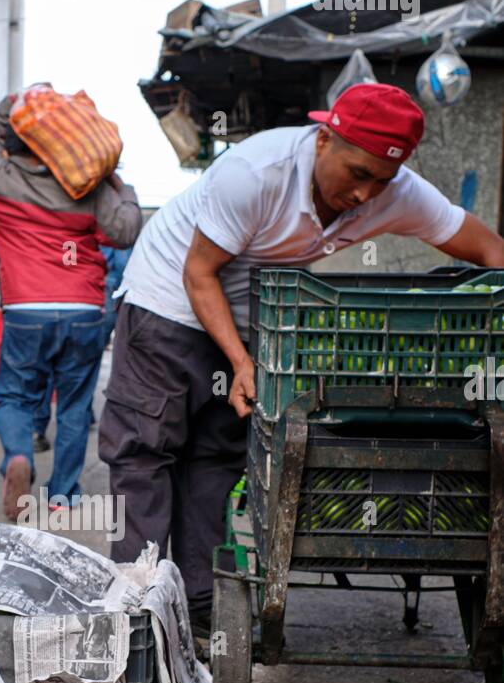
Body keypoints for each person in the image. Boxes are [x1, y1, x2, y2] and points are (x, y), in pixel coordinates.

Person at [99, 82, 504, 638]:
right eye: (357, 173)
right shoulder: (256, 172)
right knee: (147, 453)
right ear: (323, 139)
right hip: (165, 303)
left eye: (380, 182)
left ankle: (196, 608)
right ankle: (136, 611)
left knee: (214, 461)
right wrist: (240, 361)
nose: (365, 194)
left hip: (245, 317)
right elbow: (199, 273)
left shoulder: (395, 191)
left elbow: (485, 247)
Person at [0, 94, 142, 519]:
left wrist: (12, 103)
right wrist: (121, 186)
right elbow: (124, 232)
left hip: (26, 308)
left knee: (13, 396)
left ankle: (19, 456)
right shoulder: (87, 185)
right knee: (73, 405)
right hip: (84, 308)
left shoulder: (0, 178)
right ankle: (62, 493)